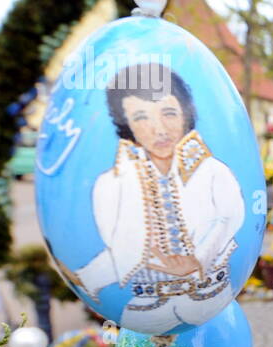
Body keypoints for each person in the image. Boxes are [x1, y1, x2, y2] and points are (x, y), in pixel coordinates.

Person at [68, 71, 245, 333]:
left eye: (169, 113)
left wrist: (197, 260)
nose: (159, 129)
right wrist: (87, 278)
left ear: (186, 113)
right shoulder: (111, 185)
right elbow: (119, 248)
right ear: (126, 123)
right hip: (144, 309)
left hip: (211, 298)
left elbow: (229, 218)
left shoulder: (213, 171)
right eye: (141, 117)